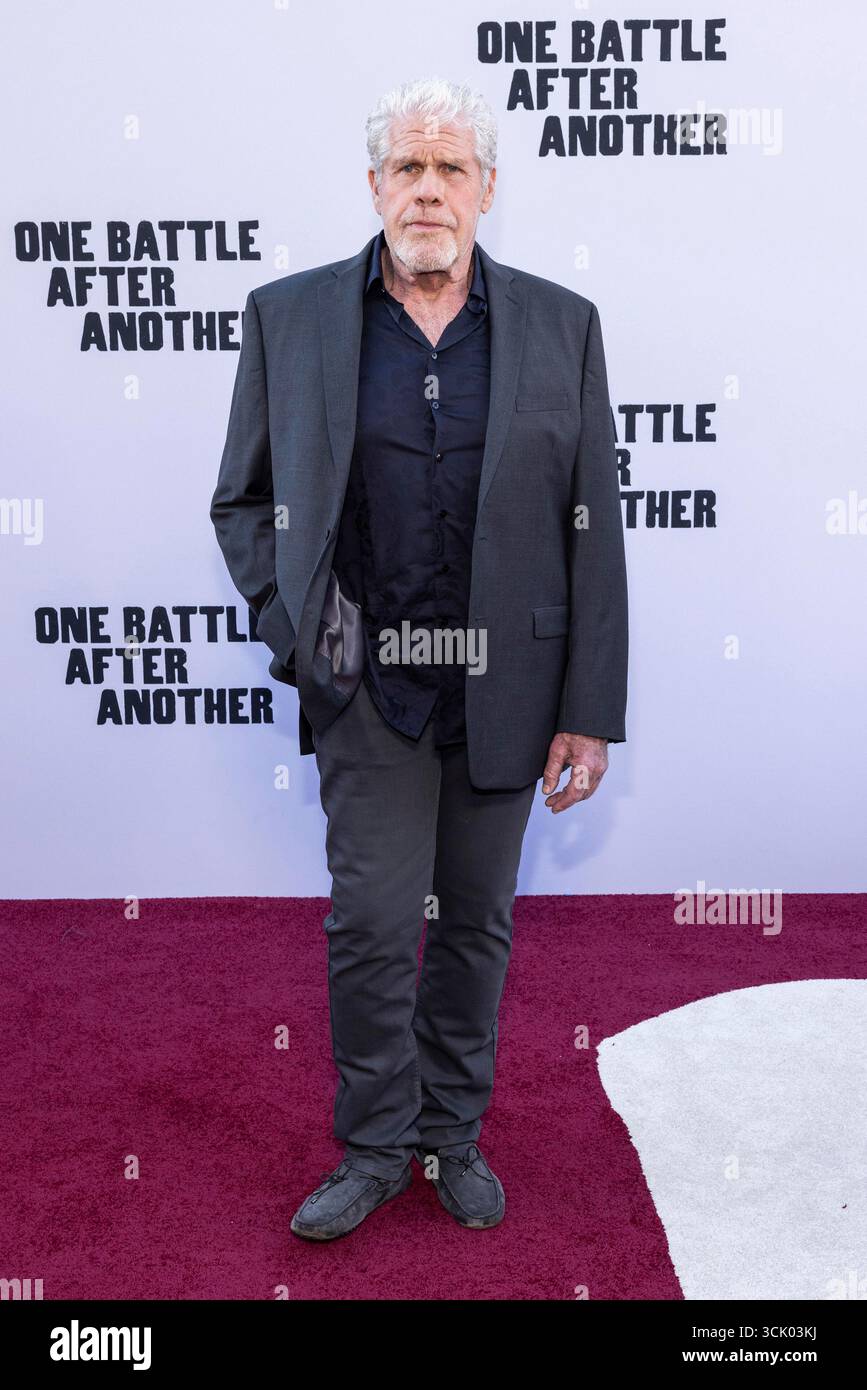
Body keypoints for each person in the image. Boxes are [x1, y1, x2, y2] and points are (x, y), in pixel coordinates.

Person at [210, 76, 628, 1241]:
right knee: (373, 923)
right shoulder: (288, 320)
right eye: (409, 167)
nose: (430, 189)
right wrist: (301, 635)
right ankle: (375, 1147)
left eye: (452, 169)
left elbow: (594, 526)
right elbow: (242, 501)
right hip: (368, 688)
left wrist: (588, 709)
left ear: (488, 187)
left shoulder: (563, 323)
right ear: (375, 187)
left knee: (480, 924)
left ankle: (454, 1136)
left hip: (510, 686)